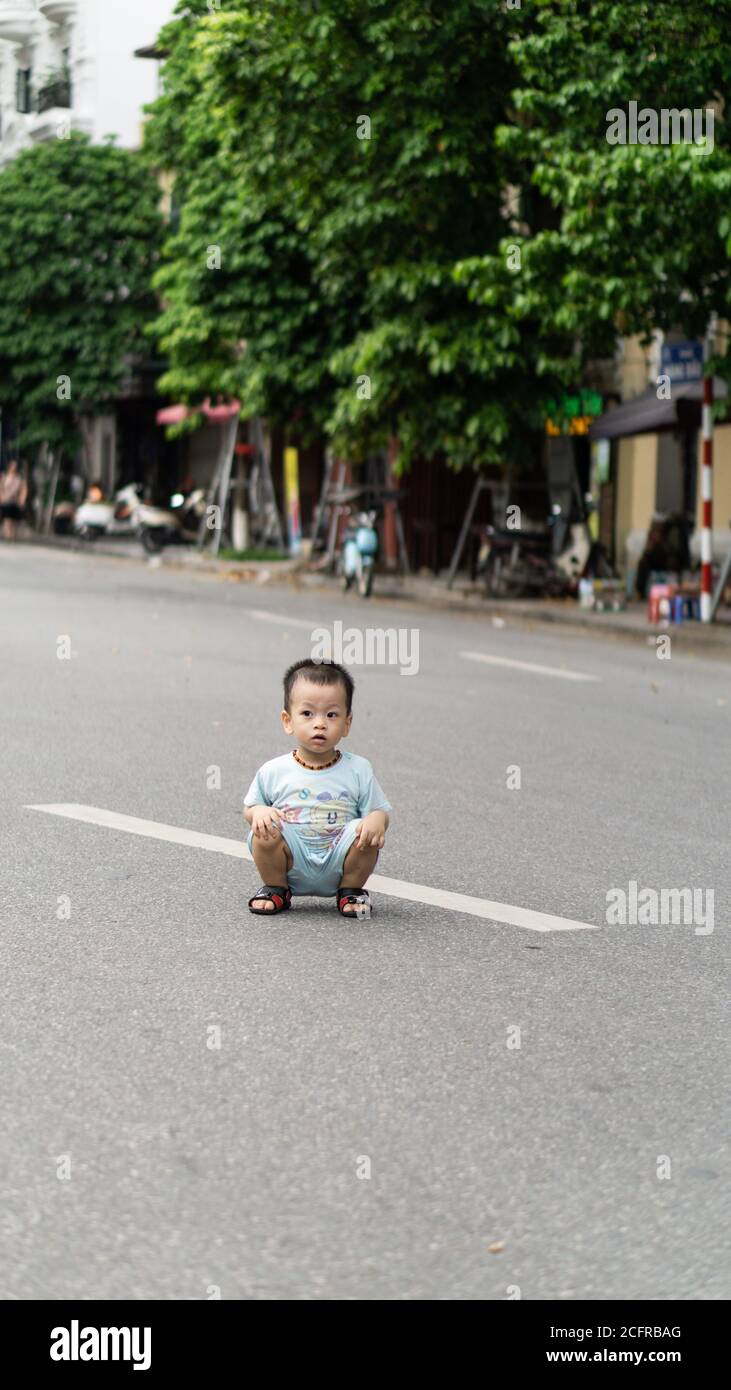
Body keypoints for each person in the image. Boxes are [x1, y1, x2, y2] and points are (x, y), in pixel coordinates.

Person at [244, 658, 391, 916]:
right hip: (292, 855)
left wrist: (377, 821)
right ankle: (276, 888)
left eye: (331, 714)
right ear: (287, 720)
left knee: (364, 834)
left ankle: (351, 891)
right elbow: (251, 807)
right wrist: (259, 813)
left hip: (339, 855)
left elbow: (378, 810)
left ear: (347, 723)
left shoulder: (358, 769)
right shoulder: (274, 770)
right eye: (307, 713)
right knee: (265, 831)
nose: (320, 723)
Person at [0, 460, 27, 541]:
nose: (13, 468)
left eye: (15, 466)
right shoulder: (4, 477)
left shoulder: (19, 478)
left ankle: (12, 534)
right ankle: (8, 534)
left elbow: (23, 490)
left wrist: (22, 500)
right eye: (12, 466)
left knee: (14, 519)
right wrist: (2, 498)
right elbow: (1, 488)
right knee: (7, 518)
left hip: (15, 501)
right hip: (6, 501)